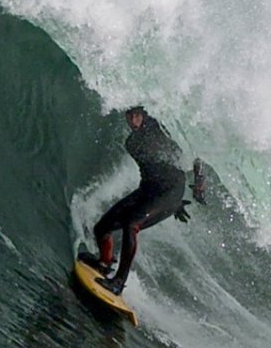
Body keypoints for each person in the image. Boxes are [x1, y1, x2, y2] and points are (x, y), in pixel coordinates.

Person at [78, 106, 205, 295]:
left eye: (137, 115)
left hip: (171, 188)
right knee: (102, 228)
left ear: (145, 115)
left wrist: (199, 184)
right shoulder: (131, 143)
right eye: (129, 116)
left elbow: (194, 151)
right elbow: (148, 172)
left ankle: (119, 283)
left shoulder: (158, 127)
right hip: (149, 189)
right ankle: (104, 264)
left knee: (131, 224)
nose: (133, 120)